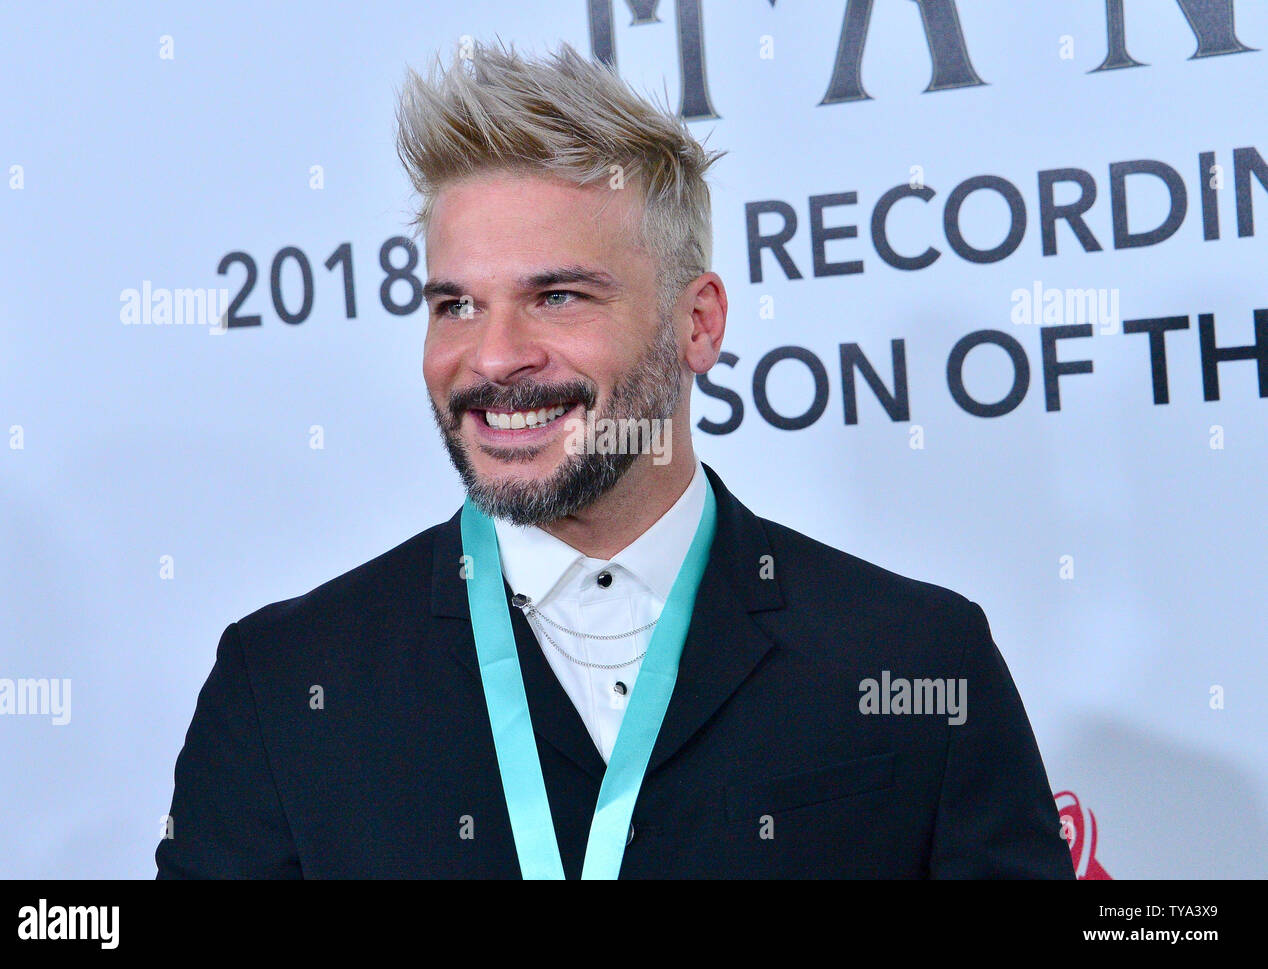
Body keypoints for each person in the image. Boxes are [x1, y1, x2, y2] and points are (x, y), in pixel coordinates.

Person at [155, 39, 1073, 879]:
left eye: (557, 296)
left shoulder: (910, 655)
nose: (494, 355)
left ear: (698, 322)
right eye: (456, 305)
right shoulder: (285, 686)